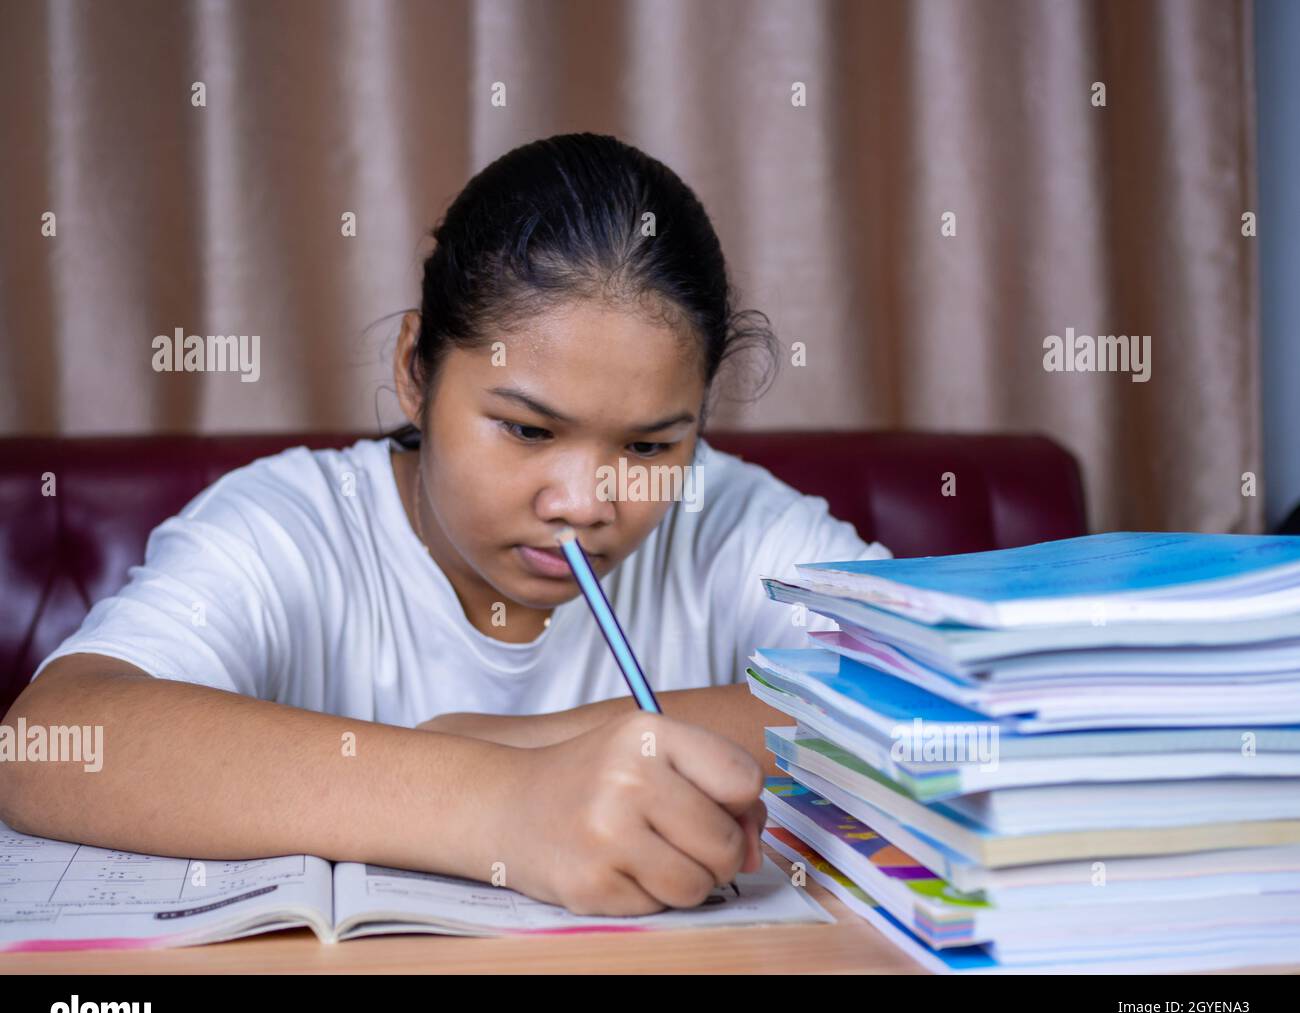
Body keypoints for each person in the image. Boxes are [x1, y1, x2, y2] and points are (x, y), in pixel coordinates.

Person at [0, 133, 890, 917]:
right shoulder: (294, 527)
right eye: (529, 430)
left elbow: (932, 706)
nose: (586, 500)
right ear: (416, 371)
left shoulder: (728, 516)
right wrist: (503, 801)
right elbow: (54, 740)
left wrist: (532, 737)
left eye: (653, 444)